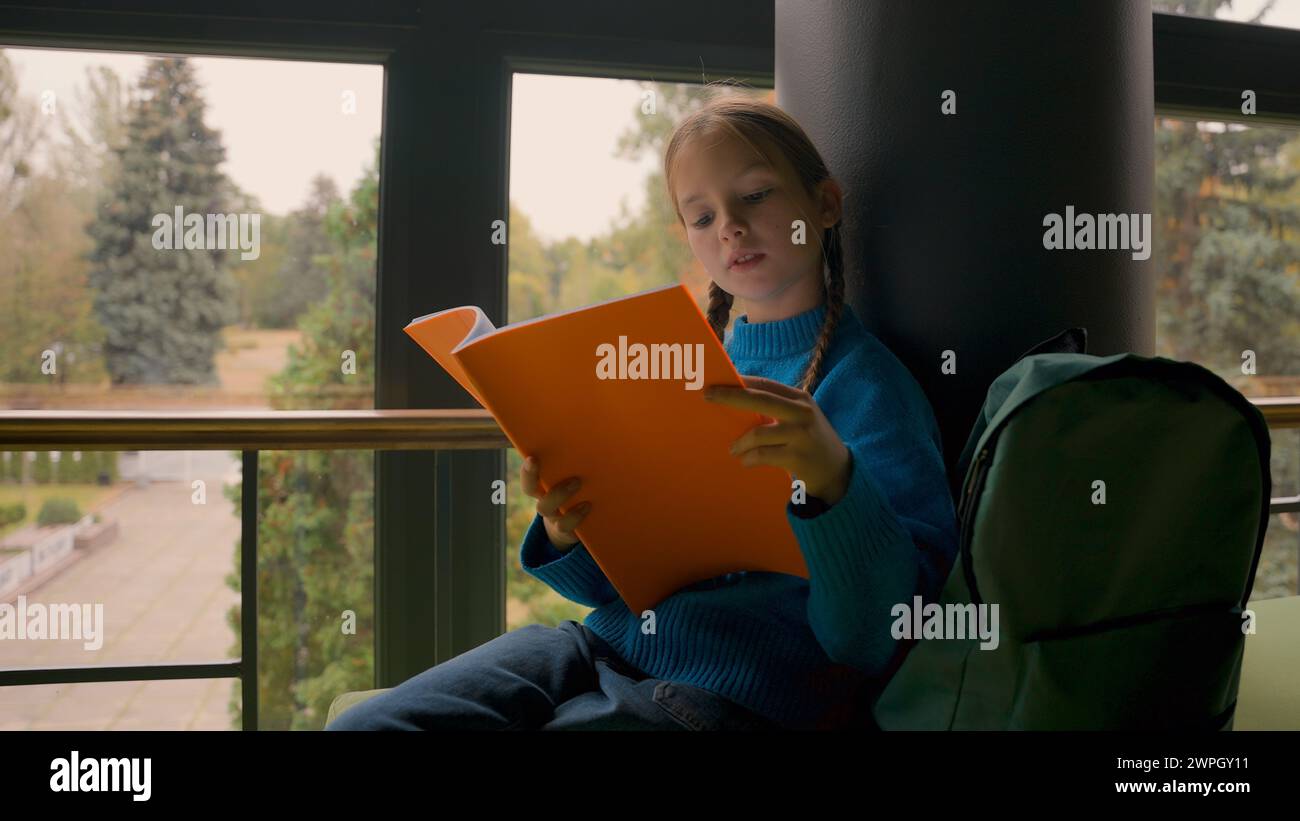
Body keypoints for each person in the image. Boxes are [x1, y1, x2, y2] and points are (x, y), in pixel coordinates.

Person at [327, 89, 958, 731]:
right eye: (702, 216)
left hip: (737, 693)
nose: (730, 226)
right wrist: (566, 529)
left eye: (756, 194)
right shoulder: (677, 368)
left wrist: (833, 483)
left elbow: (878, 638)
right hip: (597, 644)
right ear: (688, 237)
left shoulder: (872, 389)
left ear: (823, 204)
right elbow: (610, 586)